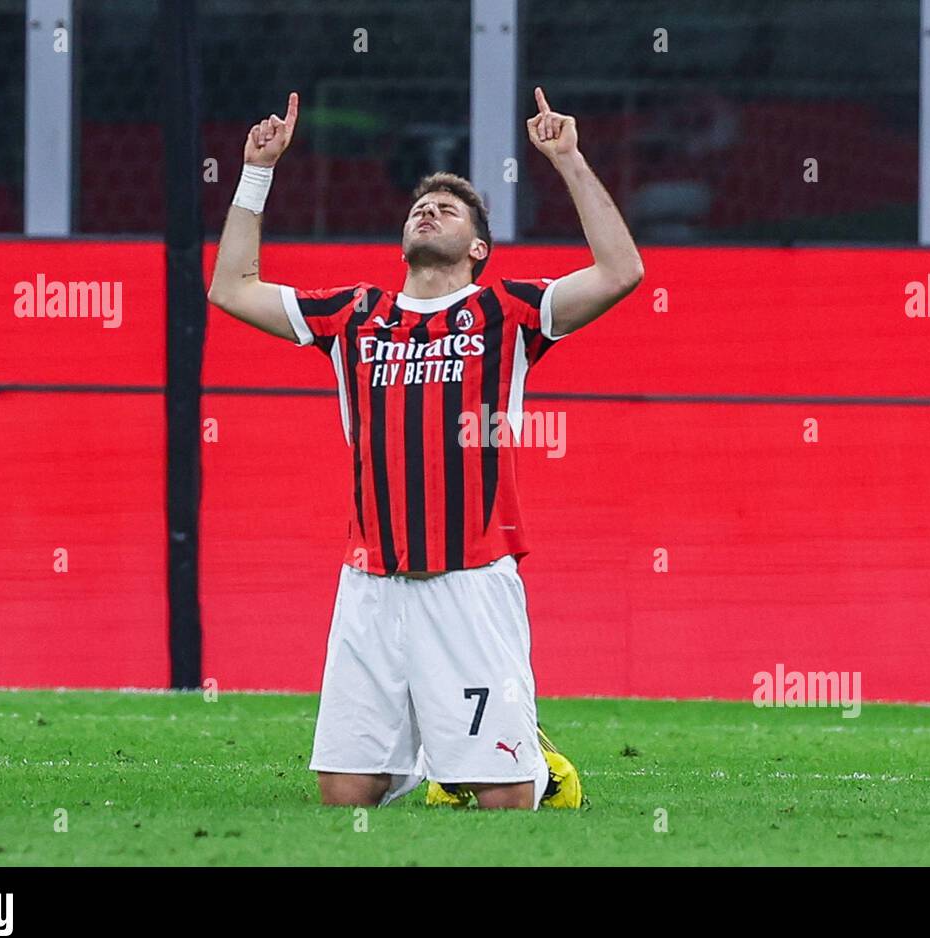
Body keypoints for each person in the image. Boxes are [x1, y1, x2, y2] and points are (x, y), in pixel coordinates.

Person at [208, 86, 643, 809]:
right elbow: (231, 288)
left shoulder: (506, 313)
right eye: (419, 205)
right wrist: (258, 171)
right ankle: (435, 763)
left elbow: (622, 272)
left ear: (478, 247)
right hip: (371, 582)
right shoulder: (355, 315)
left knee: (508, 802)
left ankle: (527, 757)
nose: (427, 209)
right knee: (345, 795)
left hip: (469, 579)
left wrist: (568, 160)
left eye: (448, 208)